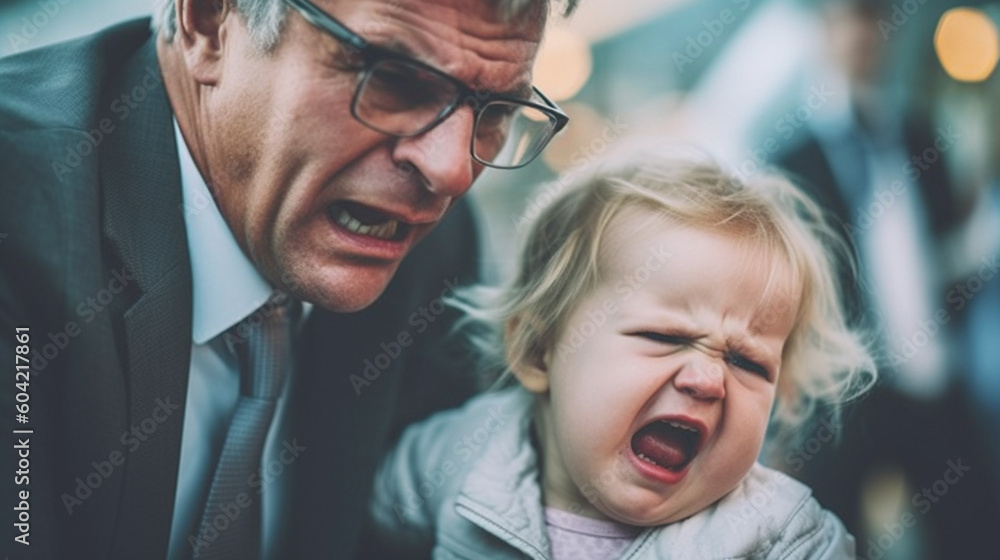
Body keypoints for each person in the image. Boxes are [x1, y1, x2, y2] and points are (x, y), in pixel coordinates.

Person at [0, 0, 574, 557]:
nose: (451, 171)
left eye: (496, 111)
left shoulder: (432, 252)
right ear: (208, 21)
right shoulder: (19, 212)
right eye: (396, 80)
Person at [368, 150, 878, 559]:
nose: (708, 378)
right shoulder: (454, 456)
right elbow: (349, 526)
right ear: (538, 351)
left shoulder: (785, 541)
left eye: (747, 362)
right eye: (666, 336)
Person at [776, 0, 1000, 555]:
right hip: (848, 394)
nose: (862, 34)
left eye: (874, 18)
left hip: (933, 378)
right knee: (836, 536)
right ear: (823, 32)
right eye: (847, 19)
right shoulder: (793, 162)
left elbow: (949, 251)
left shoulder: (922, 138)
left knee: (970, 529)